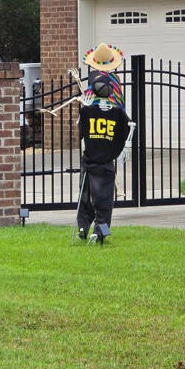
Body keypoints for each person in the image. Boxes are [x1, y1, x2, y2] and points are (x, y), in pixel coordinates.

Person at [76, 43, 132, 243]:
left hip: (91, 150)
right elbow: (122, 118)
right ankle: (100, 229)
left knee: (86, 192)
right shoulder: (115, 84)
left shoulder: (91, 86)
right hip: (106, 150)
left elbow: (82, 120)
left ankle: (83, 225)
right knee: (103, 196)